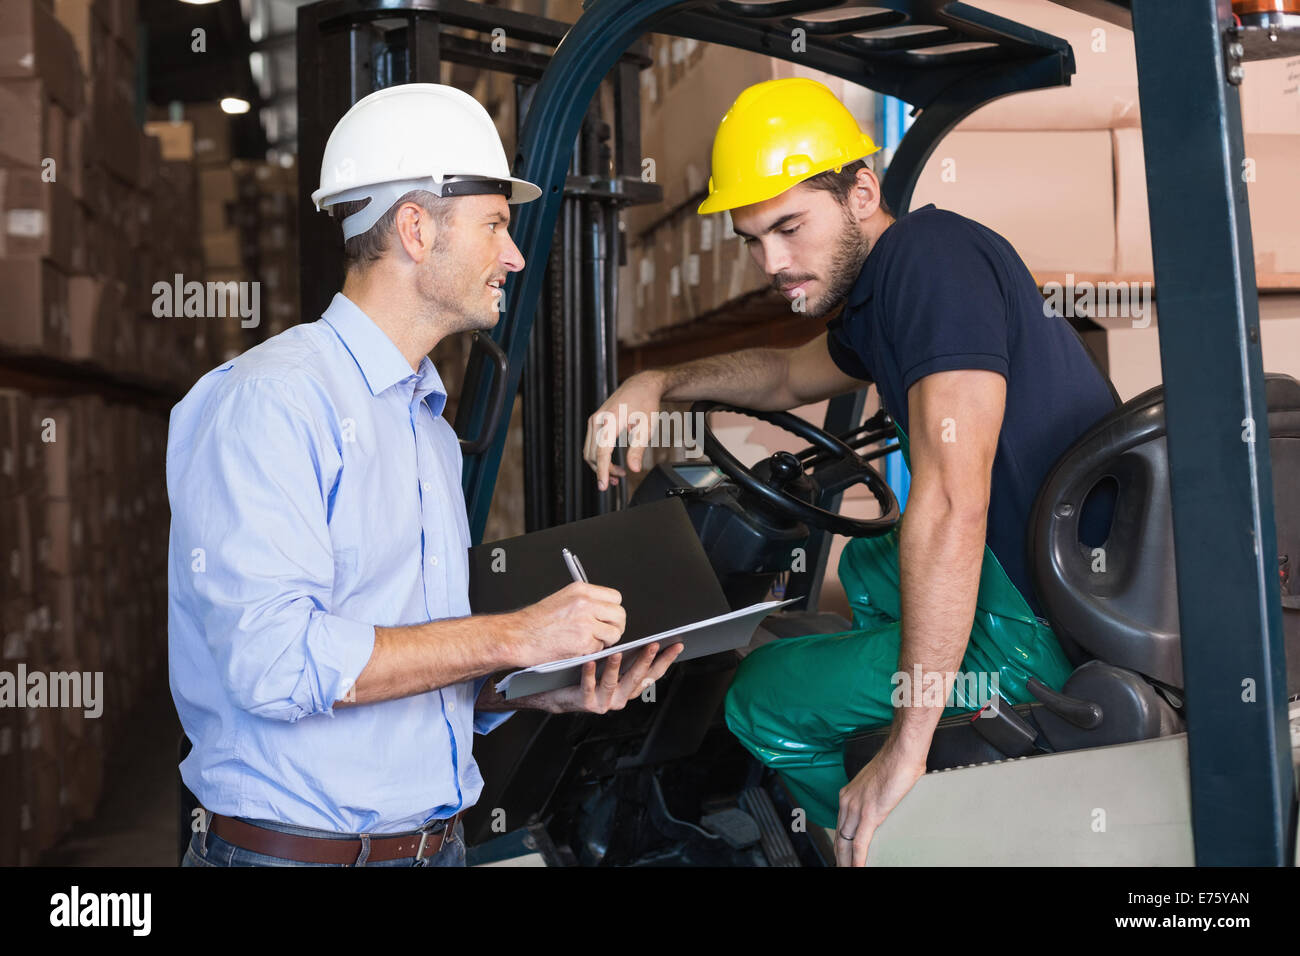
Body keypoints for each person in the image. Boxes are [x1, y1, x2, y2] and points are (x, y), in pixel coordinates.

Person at [583, 78, 1117, 866]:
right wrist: (660, 382)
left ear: (862, 191)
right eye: (753, 239)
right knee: (870, 560)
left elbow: (949, 504)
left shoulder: (930, 267)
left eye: (790, 228)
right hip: (1049, 577)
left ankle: (884, 840)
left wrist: (907, 738)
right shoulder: (885, 291)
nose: (773, 261)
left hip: (1031, 632)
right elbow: (783, 378)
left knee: (762, 696)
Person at [168, 83, 682, 868]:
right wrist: (517, 632)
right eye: (496, 225)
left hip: (432, 849)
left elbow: (401, 658)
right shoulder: (274, 401)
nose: (513, 255)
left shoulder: (428, 429)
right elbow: (274, 663)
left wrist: (527, 680)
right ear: (415, 228)